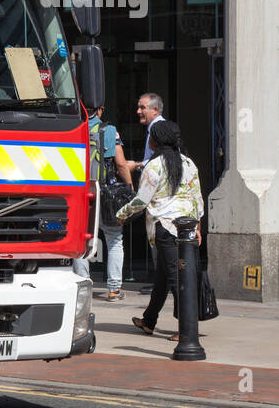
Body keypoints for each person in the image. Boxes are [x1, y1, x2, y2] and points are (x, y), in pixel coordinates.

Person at [116, 120, 204, 342]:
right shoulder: (189, 164)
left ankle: (187, 330)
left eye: (151, 137)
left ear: (156, 141)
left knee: (176, 279)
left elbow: (141, 200)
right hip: (186, 229)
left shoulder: (153, 167)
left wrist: (121, 215)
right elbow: (197, 200)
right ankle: (149, 321)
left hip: (165, 228)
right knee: (164, 278)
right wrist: (198, 228)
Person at [73, 105, 134, 299]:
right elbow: (121, 163)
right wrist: (130, 187)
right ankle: (114, 288)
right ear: (100, 110)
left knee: (82, 239)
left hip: (82, 192)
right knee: (114, 239)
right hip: (106, 192)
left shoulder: (74, 127)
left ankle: (83, 283)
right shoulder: (110, 130)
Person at [134, 92, 166, 170]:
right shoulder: (154, 127)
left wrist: (137, 165)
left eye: (142, 107)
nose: (138, 111)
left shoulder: (161, 129)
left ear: (155, 110)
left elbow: (165, 158)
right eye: (138, 107)